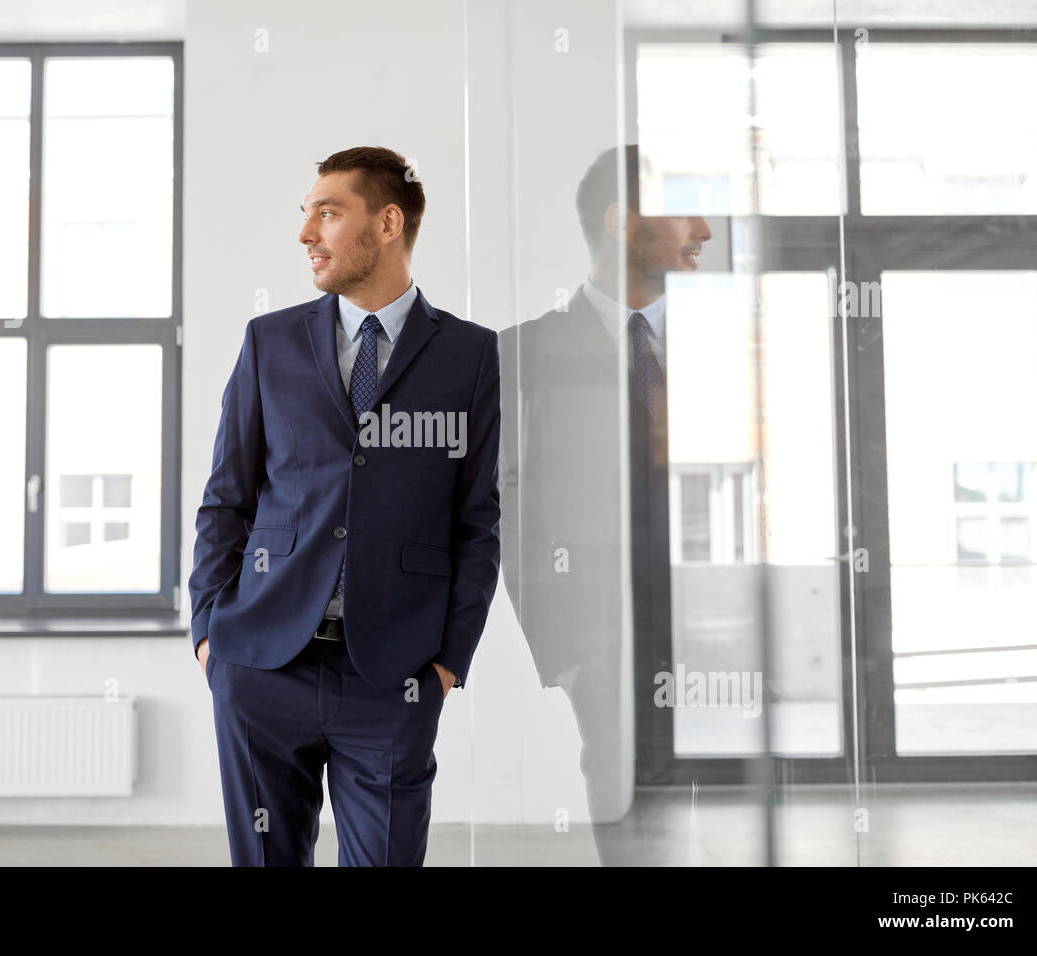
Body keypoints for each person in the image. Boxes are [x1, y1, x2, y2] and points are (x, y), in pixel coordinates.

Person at [189, 145, 502, 866]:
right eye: (306, 214)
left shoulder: (468, 355)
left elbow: (477, 523)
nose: (306, 234)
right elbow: (226, 499)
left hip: (394, 678)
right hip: (262, 665)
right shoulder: (269, 342)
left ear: (387, 223)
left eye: (327, 213)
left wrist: (449, 663)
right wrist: (211, 633)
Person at [499, 144, 711, 864]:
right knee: (625, 795)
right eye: (683, 213)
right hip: (601, 639)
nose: (705, 231)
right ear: (623, 222)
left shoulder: (717, 344)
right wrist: (563, 655)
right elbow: (511, 510)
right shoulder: (524, 354)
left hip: (710, 638)